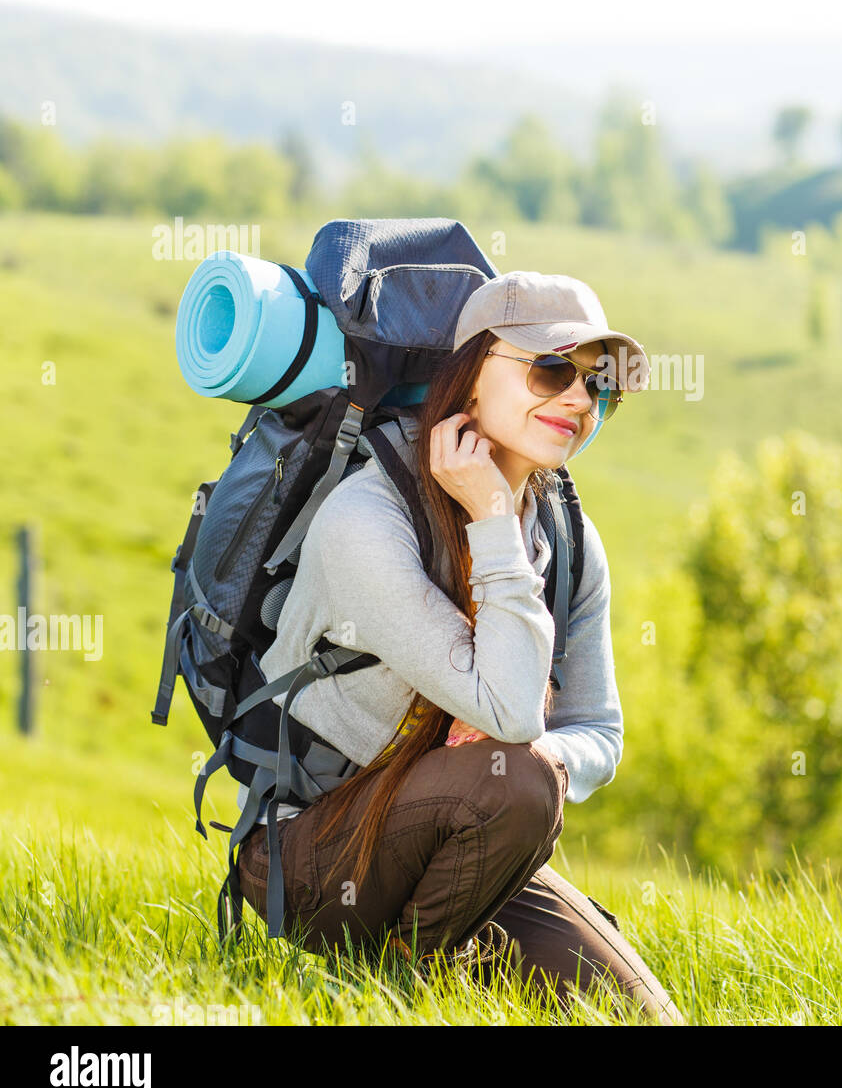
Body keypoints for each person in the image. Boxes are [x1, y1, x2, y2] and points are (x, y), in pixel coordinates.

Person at [235, 269, 684, 1025]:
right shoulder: (367, 519)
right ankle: (396, 990)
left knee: (646, 1018)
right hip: (315, 855)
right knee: (517, 781)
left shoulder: (568, 535)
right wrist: (488, 512)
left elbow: (600, 734)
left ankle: (432, 957)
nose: (579, 398)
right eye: (550, 369)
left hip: (463, 835)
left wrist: (547, 751)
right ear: (470, 376)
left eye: (597, 380)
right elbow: (511, 713)